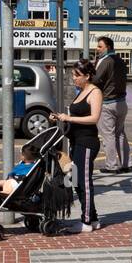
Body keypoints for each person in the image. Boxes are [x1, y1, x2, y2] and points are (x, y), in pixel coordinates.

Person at [50, 59, 102, 232]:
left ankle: (86, 222)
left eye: (77, 75)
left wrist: (69, 118)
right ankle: (92, 218)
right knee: (76, 180)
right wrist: (59, 117)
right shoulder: (81, 91)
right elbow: (74, 115)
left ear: (87, 76)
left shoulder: (94, 92)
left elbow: (94, 118)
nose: (73, 78)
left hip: (87, 143)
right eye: (73, 74)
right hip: (76, 142)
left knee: (83, 182)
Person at [93, 37, 132, 174]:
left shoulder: (105, 61)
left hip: (108, 102)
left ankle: (112, 166)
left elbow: (96, 79)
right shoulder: (120, 61)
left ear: (107, 47)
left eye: (99, 47)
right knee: (120, 134)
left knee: (108, 135)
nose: (97, 49)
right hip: (122, 102)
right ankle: (126, 164)